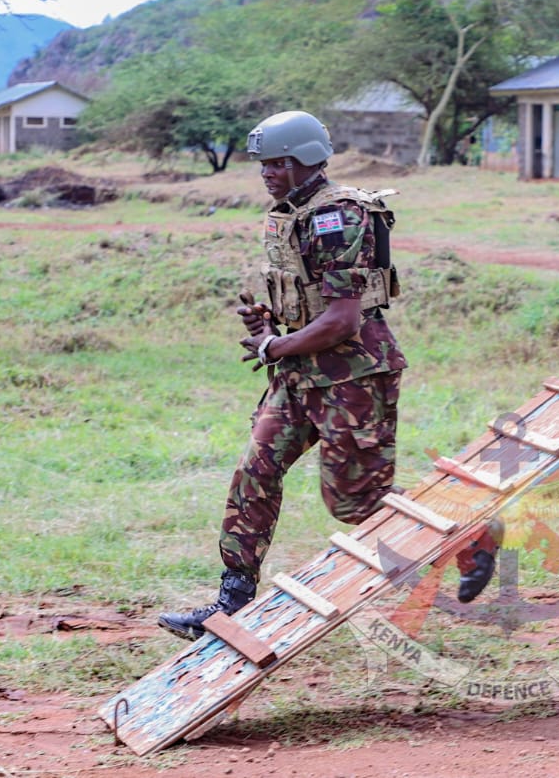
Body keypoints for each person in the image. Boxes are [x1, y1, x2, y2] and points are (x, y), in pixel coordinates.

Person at [158, 110, 500, 640]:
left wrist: (274, 344)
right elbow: (309, 303)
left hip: (353, 376)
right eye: (264, 164)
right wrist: (272, 323)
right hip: (298, 374)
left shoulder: (338, 216)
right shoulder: (288, 214)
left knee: (355, 503)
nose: (267, 173)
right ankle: (233, 602)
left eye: (278, 163)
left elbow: (342, 319)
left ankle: (471, 533)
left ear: (306, 161)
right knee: (255, 472)